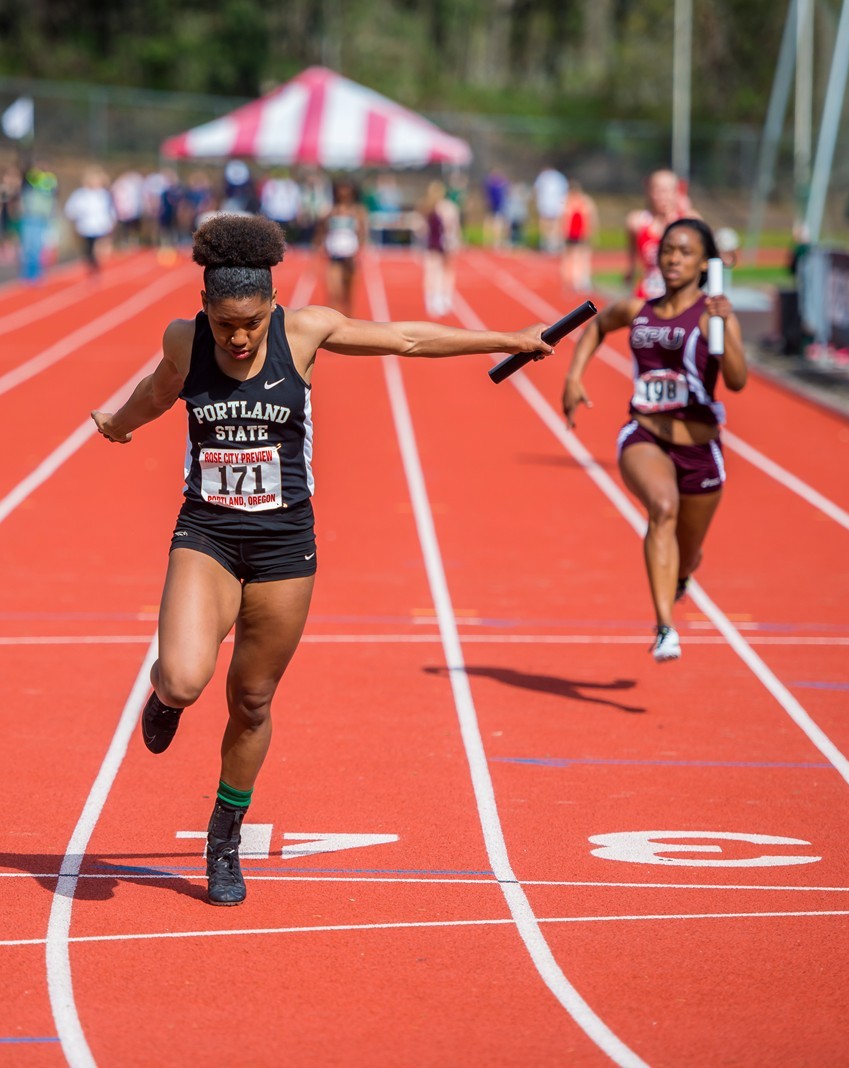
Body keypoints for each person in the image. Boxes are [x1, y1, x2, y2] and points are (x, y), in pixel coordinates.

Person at [89, 215, 554, 905]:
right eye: (224, 325)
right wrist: (118, 423)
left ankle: (224, 836)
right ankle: (164, 698)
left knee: (251, 700)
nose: (238, 339)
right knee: (186, 680)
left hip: (284, 546)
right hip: (208, 534)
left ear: (272, 308)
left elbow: (408, 338)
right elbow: (162, 389)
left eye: (249, 324)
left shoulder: (303, 333)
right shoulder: (186, 341)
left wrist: (508, 338)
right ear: (205, 312)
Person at [561, 218, 747, 663]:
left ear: (705, 263)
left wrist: (726, 330)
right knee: (662, 507)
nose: (673, 259)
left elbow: (737, 381)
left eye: (684, 252)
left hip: (700, 449)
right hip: (644, 434)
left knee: (687, 553)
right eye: (667, 250)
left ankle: (681, 576)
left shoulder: (714, 315)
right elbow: (598, 325)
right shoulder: (637, 310)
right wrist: (573, 377)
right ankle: (665, 627)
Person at [626, 168, 689, 300]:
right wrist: (630, 274)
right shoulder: (637, 221)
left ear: (676, 192)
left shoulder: (688, 221)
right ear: (649, 191)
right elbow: (631, 265)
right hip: (648, 294)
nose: (662, 196)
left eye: (667, 190)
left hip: (679, 296)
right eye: (658, 190)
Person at [322, 178, 368, 316]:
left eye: (346, 189)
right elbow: (323, 232)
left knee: (348, 294)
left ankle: (348, 321)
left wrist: (358, 253)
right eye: (340, 189)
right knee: (334, 292)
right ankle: (333, 322)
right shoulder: (331, 211)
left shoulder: (358, 211)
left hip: (350, 257)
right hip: (334, 256)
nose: (343, 193)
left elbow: (362, 234)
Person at [64, 166, 116, 276]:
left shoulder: (104, 194)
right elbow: (70, 210)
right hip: (86, 228)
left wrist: (111, 222)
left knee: (99, 250)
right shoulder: (80, 194)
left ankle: (97, 266)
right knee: (88, 251)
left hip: (101, 227)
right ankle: (93, 267)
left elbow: (111, 210)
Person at [420, 179, 460, 317]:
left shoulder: (441, 207)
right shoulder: (431, 207)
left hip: (439, 243)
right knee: (437, 271)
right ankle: (438, 298)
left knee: (439, 271)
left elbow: (452, 226)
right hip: (437, 243)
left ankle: (440, 298)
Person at [560, 181, 597, 292]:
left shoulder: (584, 201)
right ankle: (572, 281)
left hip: (581, 233)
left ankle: (582, 280)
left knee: (582, 257)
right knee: (572, 257)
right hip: (572, 234)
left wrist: (592, 231)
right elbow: (564, 218)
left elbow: (591, 217)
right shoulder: (569, 201)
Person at [534, 165, 568, 252]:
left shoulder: (544, 176)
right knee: (554, 224)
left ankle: (550, 243)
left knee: (548, 224)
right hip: (555, 204)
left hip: (548, 204)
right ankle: (551, 243)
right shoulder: (559, 177)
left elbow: (537, 189)